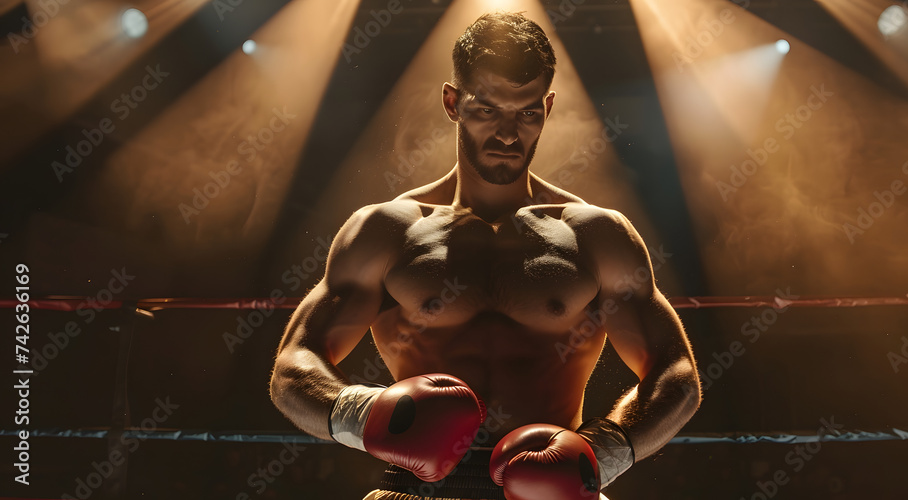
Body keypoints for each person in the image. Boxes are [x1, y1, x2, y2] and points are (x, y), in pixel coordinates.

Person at [270, 11, 701, 500]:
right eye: (487, 109)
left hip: (553, 494)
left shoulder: (596, 234)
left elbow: (677, 375)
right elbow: (293, 367)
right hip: (417, 492)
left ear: (549, 107)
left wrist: (602, 453)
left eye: (527, 112)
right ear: (452, 102)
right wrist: (367, 414)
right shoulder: (385, 230)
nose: (508, 134)